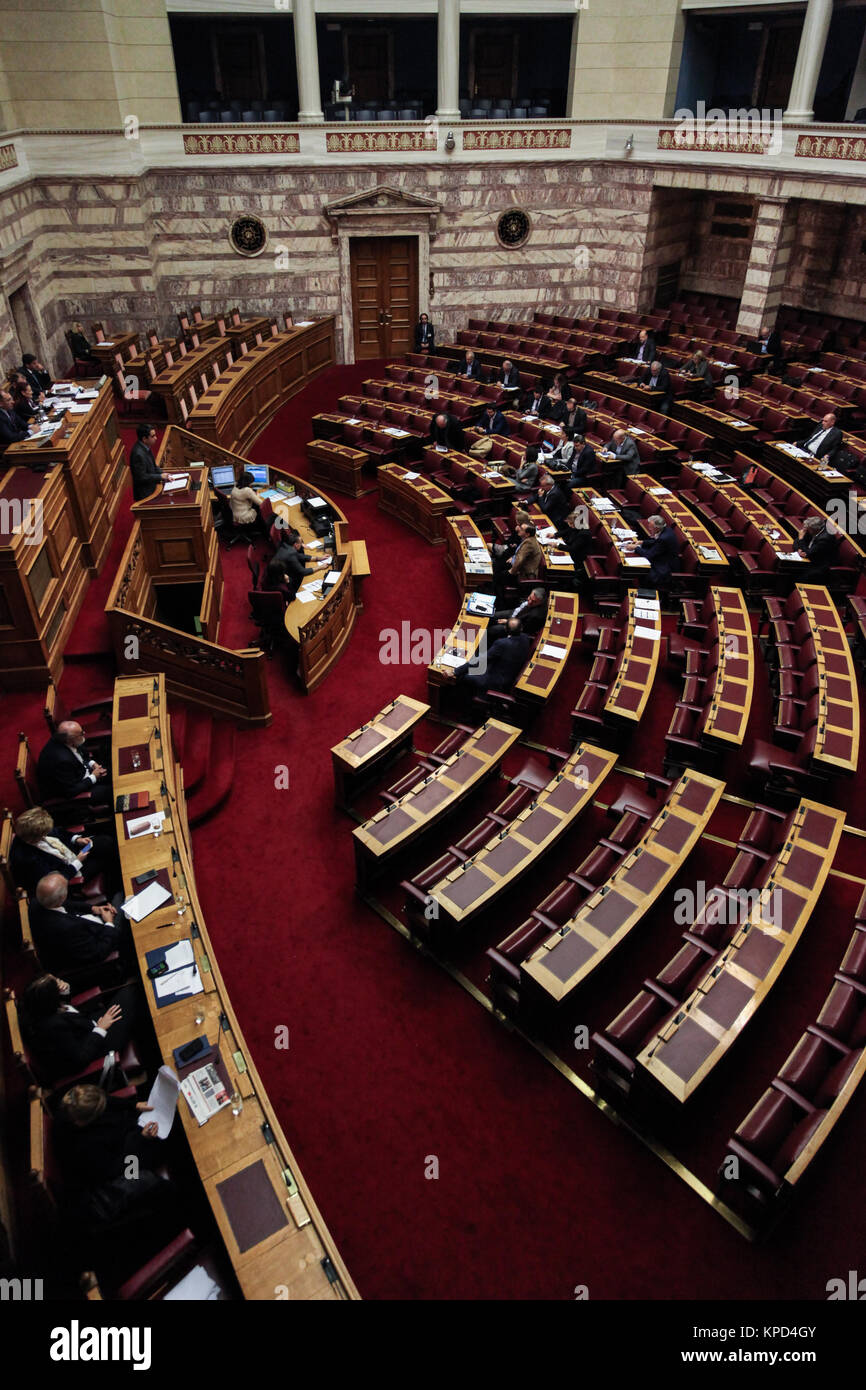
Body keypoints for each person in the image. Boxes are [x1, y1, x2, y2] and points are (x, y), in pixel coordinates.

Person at [19, 974, 139, 1084]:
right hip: (99, 1045)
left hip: (91, 1026)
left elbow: (66, 1009)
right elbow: (80, 1058)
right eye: (56, 983)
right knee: (133, 993)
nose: (59, 980)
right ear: (52, 997)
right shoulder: (53, 1028)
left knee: (131, 990)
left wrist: (64, 991)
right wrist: (100, 1029)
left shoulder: (41, 1007)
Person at [29, 873, 127, 977]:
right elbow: (99, 952)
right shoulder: (68, 929)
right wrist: (109, 922)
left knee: (120, 898)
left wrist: (94, 909)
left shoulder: (37, 902)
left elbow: (67, 904)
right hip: (103, 939)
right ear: (62, 896)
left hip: (87, 925)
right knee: (122, 901)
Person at [10, 807, 116, 899]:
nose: (46, 835)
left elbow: (58, 832)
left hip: (71, 853)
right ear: (35, 837)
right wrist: (77, 862)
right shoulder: (28, 859)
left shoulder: (33, 829)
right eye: (44, 834)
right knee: (108, 859)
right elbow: (54, 881)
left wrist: (77, 840)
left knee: (106, 841)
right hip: (70, 874)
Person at [38, 720, 111, 806]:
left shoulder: (64, 738)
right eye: (81, 734)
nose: (84, 733)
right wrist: (94, 776)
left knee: (113, 771)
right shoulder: (62, 761)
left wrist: (92, 764)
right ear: (70, 740)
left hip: (81, 772)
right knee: (112, 790)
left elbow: (82, 752)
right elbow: (70, 791)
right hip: (76, 791)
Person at [459, 618, 532, 695]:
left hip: (493, 682)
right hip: (508, 676)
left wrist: (456, 671)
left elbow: (481, 659)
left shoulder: (502, 643)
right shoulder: (526, 638)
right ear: (521, 628)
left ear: (505, 629)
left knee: (463, 675)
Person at [624, 514, 679, 588]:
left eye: (651, 528)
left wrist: (635, 548)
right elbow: (656, 541)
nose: (649, 529)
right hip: (662, 557)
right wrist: (642, 542)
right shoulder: (666, 529)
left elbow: (649, 555)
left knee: (637, 569)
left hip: (663, 567)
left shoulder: (664, 538)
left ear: (656, 528)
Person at [797, 516, 841, 581]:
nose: (806, 531)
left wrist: (801, 540)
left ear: (815, 529)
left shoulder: (825, 539)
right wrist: (800, 549)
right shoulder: (813, 530)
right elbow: (796, 542)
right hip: (811, 559)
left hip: (820, 565)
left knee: (799, 578)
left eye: (808, 529)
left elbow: (808, 553)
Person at [129, 423, 162, 501]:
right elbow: (141, 477)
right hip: (146, 494)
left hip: (153, 485)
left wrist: (163, 474)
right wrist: (160, 477)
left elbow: (154, 466)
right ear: (144, 439)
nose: (156, 438)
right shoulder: (138, 454)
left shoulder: (145, 446)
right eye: (153, 436)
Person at [229, 469, 266, 534]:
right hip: (243, 516)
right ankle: (261, 529)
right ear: (248, 482)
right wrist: (256, 495)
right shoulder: (247, 491)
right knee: (259, 508)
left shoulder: (235, 485)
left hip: (234, 513)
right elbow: (261, 503)